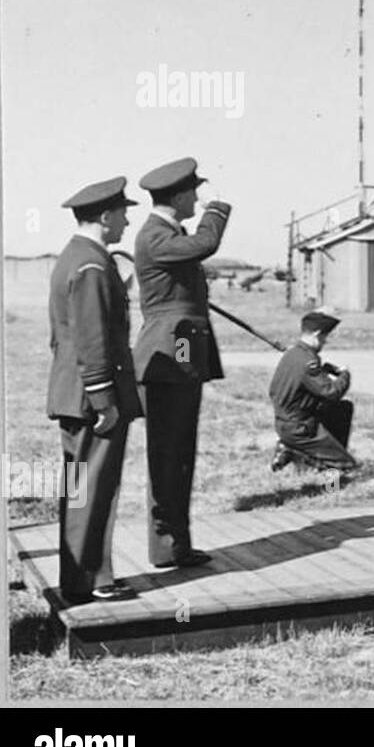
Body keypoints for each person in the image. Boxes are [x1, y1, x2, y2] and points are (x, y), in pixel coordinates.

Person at [47, 177, 142, 603]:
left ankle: (91, 576)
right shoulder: (91, 264)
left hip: (76, 393)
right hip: (93, 399)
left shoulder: (77, 257)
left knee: (81, 487)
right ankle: (88, 582)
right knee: (91, 488)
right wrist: (105, 401)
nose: (126, 220)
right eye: (123, 213)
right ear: (105, 217)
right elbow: (92, 341)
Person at [134, 157, 230, 568]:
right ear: (178, 196)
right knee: (170, 450)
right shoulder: (156, 235)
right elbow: (206, 244)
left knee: (179, 450)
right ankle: (167, 545)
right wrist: (217, 206)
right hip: (174, 356)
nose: (198, 197)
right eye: (193, 192)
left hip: (183, 353)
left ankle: (175, 544)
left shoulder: (167, 232)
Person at [270, 311, 357, 472]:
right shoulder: (308, 362)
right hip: (301, 428)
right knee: (344, 465)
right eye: (324, 338)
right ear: (316, 335)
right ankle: (331, 491)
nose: (325, 342)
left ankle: (305, 453)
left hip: (286, 422)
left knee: (342, 408)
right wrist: (344, 375)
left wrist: (323, 371)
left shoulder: (293, 354)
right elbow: (332, 392)